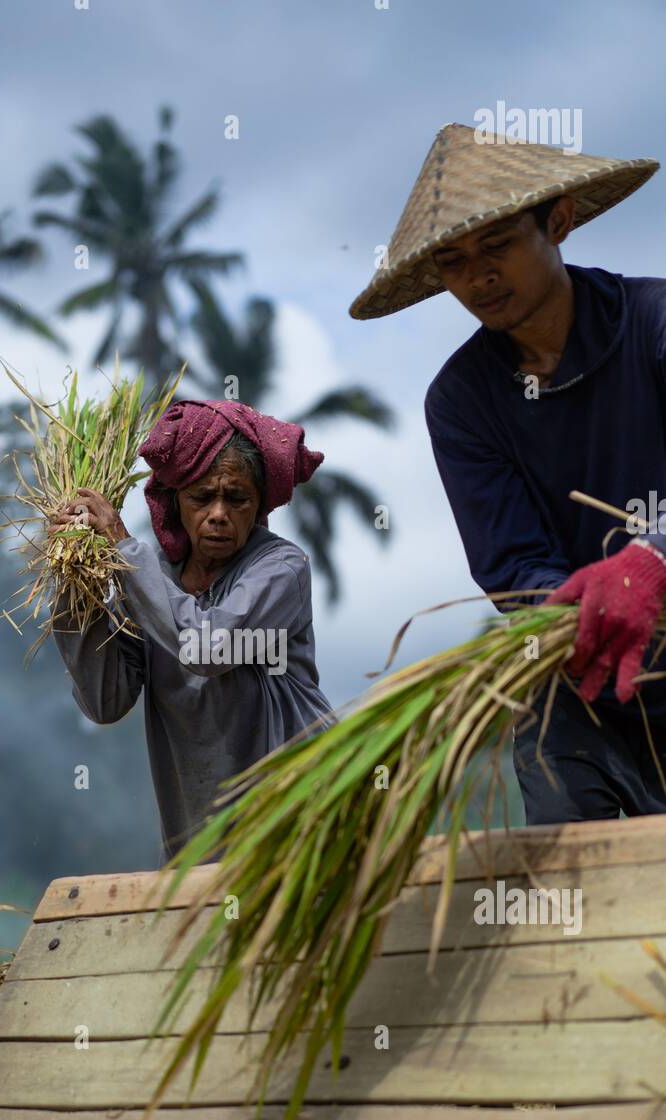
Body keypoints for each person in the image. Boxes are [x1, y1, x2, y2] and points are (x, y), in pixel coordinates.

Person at [349, 121, 666, 823]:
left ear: (558, 222)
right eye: (455, 261)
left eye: (497, 245)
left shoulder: (655, 322)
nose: (480, 276)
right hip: (593, 671)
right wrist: (572, 607)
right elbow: (516, 564)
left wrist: (651, 560)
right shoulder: (461, 402)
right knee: (549, 741)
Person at [49, 398, 335, 861]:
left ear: (258, 503)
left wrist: (122, 551)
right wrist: (72, 585)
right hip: (200, 842)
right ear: (175, 501)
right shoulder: (147, 578)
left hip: (298, 823)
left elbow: (208, 648)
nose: (219, 513)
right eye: (202, 498)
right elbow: (106, 701)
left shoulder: (281, 569)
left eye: (237, 498)